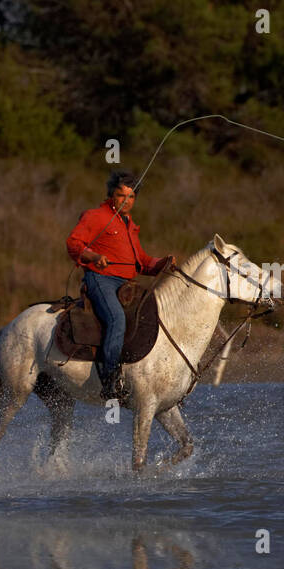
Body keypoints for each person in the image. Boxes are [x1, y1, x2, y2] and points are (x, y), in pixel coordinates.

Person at [66, 170, 173, 401]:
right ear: (111, 195)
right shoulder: (95, 216)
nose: (126, 201)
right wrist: (94, 257)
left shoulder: (130, 225)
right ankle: (110, 377)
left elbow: (142, 262)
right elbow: (74, 244)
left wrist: (163, 262)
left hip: (126, 284)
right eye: (121, 195)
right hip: (100, 279)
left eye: (131, 197)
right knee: (116, 318)